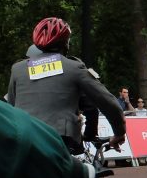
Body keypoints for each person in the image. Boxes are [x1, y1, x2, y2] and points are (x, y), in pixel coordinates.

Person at [7, 17, 126, 153]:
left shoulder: (18, 69)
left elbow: (10, 107)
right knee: (80, 173)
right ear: (66, 42)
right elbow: (108, 102)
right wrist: (119, 133)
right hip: (60, 139)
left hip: (23, 138)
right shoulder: (74, 67)